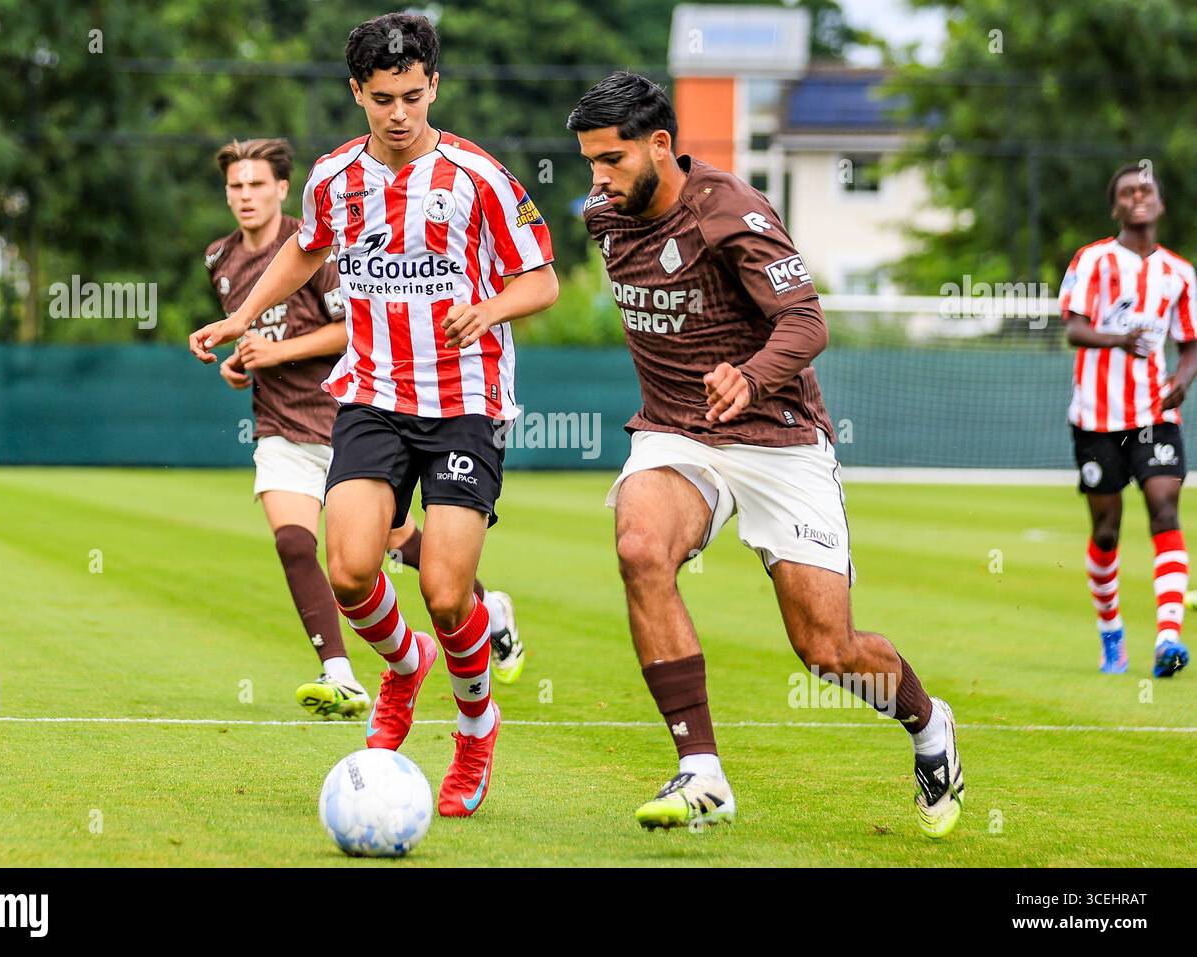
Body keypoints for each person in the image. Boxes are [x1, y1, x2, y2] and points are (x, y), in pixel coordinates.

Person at [568, 72, 963, 837]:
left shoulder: (732, 212)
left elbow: (807, 322)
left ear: (660, 145)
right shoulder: (603, 214)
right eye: (588, 161)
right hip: (677, 431)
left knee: (827, 649)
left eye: (611, 159)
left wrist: (749, 376)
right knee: (640, 547)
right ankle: (702, 770)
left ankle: (928, 721)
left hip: (776, 432)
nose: (597, 179)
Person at [191, 13, 557, 817]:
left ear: (435, 87)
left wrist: (490, 308)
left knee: (447, 590)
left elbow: (543, 279)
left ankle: (475, 727)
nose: (399, 113)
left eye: (414, 96)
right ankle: (402, 667)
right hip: (371, 396)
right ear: (357, 91)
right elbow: (305, 251)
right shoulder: (331, 177)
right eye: (383, 98)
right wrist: (241, 319)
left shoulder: (479, 176)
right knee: (352, 568)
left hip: (465, 403)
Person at [205, 138, 524, 722]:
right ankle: (342, 672)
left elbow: (347, 329)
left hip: (349, 410)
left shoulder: (332, 234)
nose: (245, 196)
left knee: (415, 563)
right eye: (235, 186)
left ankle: (487, 615)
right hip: (280, 425)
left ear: (281, 188)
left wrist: (275, 351)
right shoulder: (221, 261)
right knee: (301, 544)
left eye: (257, 184)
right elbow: (256, 338)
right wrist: (242, 355)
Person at [1060, 163, 1194, 678]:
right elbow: (1073, 329)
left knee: (1164, 508)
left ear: (1159, 203)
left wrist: (1185, 376)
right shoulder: (1092, 260)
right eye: (1127, 192)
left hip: (1155, 414)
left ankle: (1167, 639)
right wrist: (1118, 339)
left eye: (1147, 189)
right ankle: (1111, 632)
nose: (1139, 196)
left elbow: (1191, 342)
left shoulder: (1180, 273)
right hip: (1096, 419)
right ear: (1116, 206)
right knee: (1108, 531)